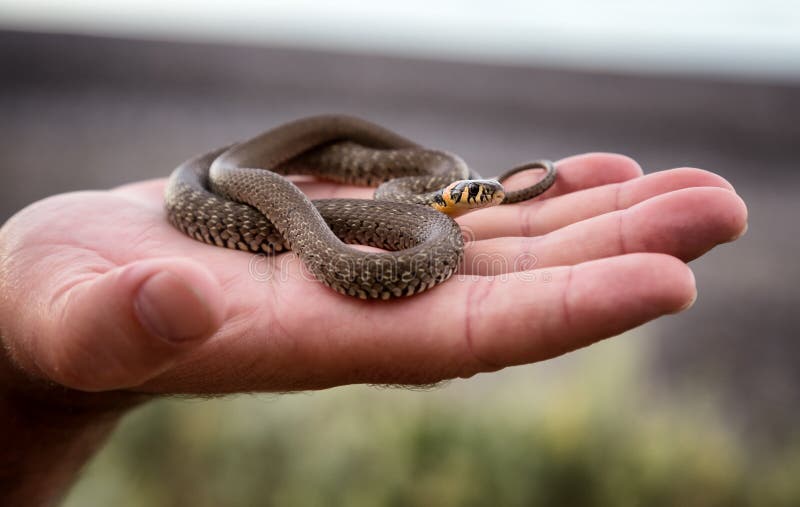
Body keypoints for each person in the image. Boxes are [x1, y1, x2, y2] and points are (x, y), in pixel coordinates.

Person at [0, 153, 747, 505]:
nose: (479, 200)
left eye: (479, 196)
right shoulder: (370, 206)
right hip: (246, 181)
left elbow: (427, 211)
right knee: (236, 177)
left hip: (379, 198)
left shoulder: (429, 214)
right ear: (449, 196)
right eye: (474, 194)